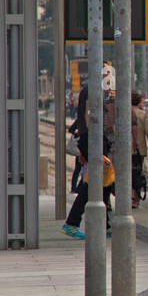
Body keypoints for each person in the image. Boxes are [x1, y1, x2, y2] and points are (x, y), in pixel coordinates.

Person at [62, 81, 116, 239]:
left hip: (95, 138)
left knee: (102, 182)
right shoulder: (91, 89)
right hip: (93, 138)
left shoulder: (95, 90)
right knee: (93, 182)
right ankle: (72, 223)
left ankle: (104, 225)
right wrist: (91, 140)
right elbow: (87, 113)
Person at [130, 89, 148, 209]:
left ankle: (130, 195)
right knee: (138, 173)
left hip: (126, 150)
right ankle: (136, 198)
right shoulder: (142, 114)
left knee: (128, 174)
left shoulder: (124, 112)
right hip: (140, 150)